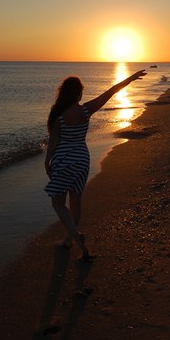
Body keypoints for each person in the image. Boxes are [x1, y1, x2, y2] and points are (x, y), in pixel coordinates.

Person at [44, 69, 147, 260]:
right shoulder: (86, 110)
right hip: (82, 159)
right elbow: (111, 91)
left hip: (63, 160)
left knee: (58, 203)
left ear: (63, 93)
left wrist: (46, 161)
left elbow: (53, 142)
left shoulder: (58, 115)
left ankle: (75, 236)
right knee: (75, 201)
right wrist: (131, 78)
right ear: (78, 93)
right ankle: (69, 239)